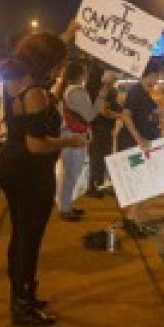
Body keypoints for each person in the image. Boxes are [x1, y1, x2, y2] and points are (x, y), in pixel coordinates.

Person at [0, 25, 86, 327]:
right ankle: (23, 306)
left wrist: (69, 32)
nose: (61, 68)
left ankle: (20, 296)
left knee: (20, 233)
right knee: (29, 238)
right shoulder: (34, 94)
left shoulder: (17, 80)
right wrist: (71, 141)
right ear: (46, 64)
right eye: (58, 62)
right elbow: (36, 145)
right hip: (29, 170)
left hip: (11, 164)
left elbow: (39, 53)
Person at [117, 64, 164, 237]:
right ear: (149, 75)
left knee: (145, 183)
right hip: (133, 145)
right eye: (155, 77)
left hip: (141, 144)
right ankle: (131, 220)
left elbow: (160, 112)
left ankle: (135, 219)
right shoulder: (135, 92)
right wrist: (139, 139)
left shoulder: (145, 94)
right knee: (142, 182)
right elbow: (126, 116)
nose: (156, 80)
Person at [56, 61, 96, 220]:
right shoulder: (75, 91)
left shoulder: (69, 89)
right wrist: (103, 94)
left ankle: (66, 205)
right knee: (71, 174)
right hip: (73, 136)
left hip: (71, 135)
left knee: (71, 173)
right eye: (85, 72)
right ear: (79, 74)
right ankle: (65, 209)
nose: (86, 75)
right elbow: (90, 115)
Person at [86, 69, 122, 198]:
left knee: (104, 158)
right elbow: (103, 111)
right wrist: (119, 116)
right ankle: (92, 187)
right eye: (113, 80)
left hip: (106, 129)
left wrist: (121, 112)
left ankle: (100, 185)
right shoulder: (100, 91)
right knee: (97, 158)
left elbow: (113, 107)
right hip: (98, 129)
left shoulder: (111, 91)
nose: (114, 82)